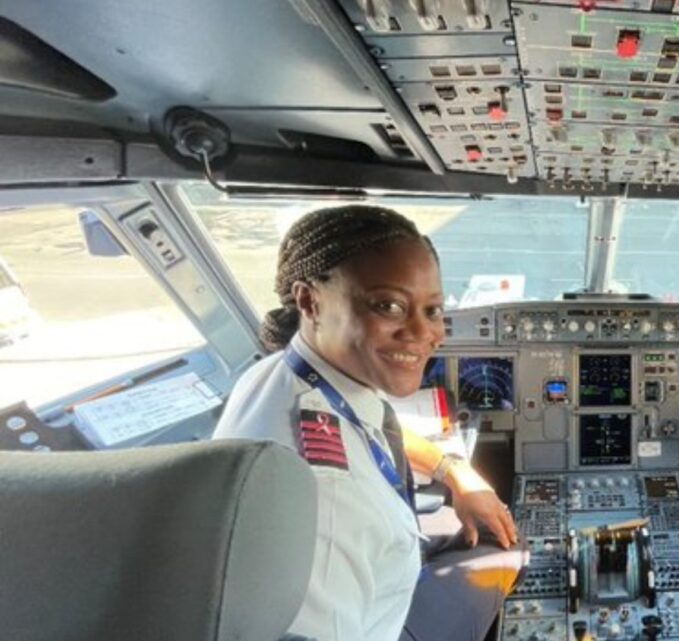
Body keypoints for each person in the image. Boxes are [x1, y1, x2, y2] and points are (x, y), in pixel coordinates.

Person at [213, 205, 519, 641]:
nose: (422, 333)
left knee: (469, 523)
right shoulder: (331, 501)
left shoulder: (289, 375)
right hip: (382, 623)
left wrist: (457, 473)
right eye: (388, 306)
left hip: (378, 579)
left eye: (432, 310)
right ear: (309, 301)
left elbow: (376, 424)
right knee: (506, 547)